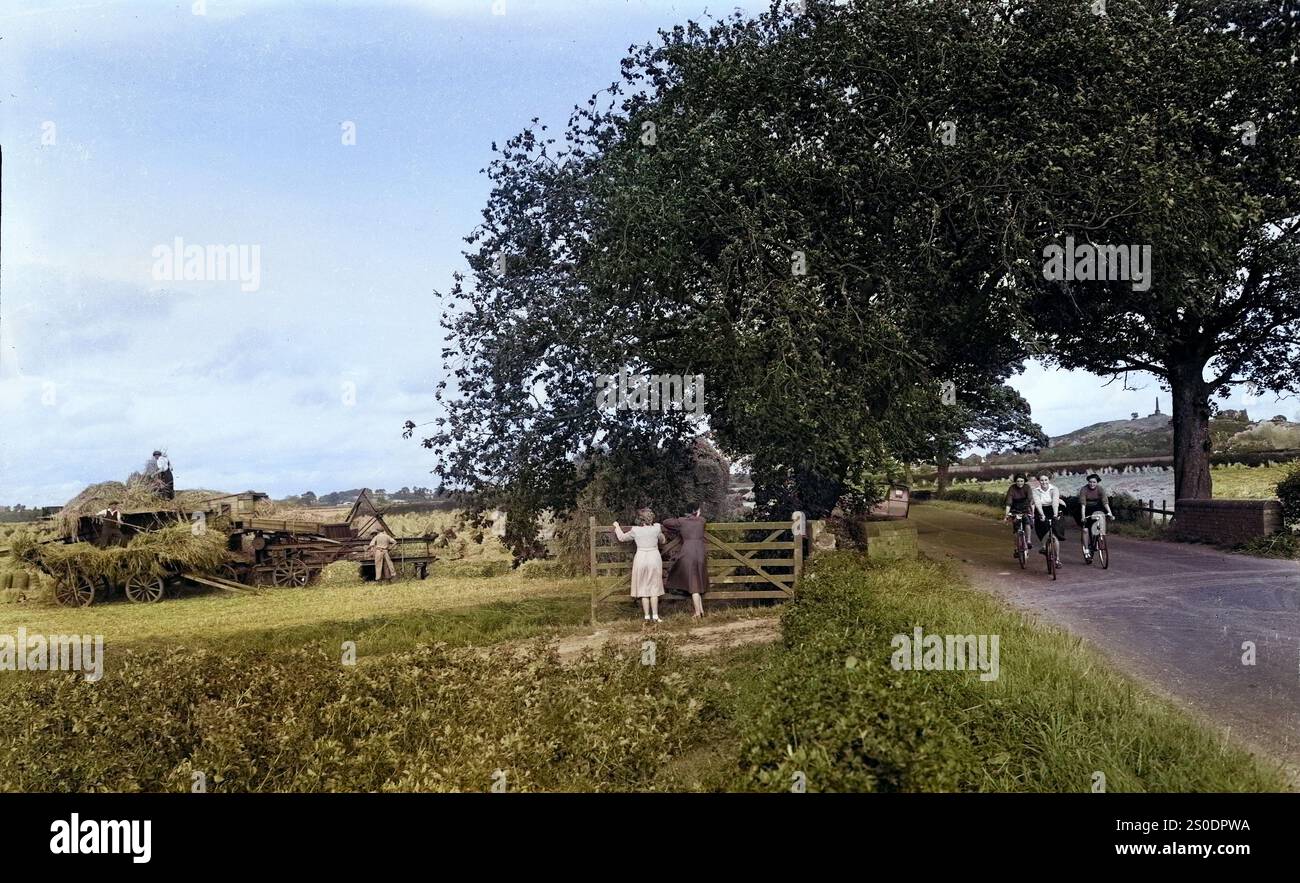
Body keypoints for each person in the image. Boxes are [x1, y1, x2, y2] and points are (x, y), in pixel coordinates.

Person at [612, 508, 666, 625]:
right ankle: (656, 616)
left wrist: (617, 526)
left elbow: (622, 538)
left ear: (640, 519)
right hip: (654, 557)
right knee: (654, 588)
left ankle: (647, 617)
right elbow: (663, 541)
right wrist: (659, 532)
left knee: (644, 588)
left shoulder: (635, 530)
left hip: (641, 557)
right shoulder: (656, 528)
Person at [663, 503, 708, 619]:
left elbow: (666, 522)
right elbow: (698, 519)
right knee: (697, 579)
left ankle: (697, 613)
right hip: (700, 551)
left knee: (693, 583)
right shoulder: (702, 521)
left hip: (688, 551)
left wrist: (681, 518)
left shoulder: (682, 521)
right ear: (696, 511)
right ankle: (701, 611)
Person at [1077, 473, 1114, 562]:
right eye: (1090, 482)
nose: (1092, 484)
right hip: (1085, 509)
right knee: (1085, 530)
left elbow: (1105, 502)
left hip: (1096, 508)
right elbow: (1083, 505)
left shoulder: (1100, 489)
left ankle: (1100, 536)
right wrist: (1083, 517)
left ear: (1097, 482)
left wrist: (1110, 513)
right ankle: (1086, 550)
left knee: (1101, 518)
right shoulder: (1084, 489)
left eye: (1094, 482)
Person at [1003, 473, 1042, 555]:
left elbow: (1031, 500)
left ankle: (1028, 541)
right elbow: (1008, 503)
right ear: (1015, 481)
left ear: (1024, 481)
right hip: (1015, 509)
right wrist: (1006, 515)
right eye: (1018, 481)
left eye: (1021, 481)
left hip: (1026, 508)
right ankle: (1016, 548)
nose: (1019, 483)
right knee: (1016, 529)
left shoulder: (1027, 487)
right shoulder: (1012, 488)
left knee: (1027, 521)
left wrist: (1032, 513)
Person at [1032, 473, 1065, 564]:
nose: (1044, 482)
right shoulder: (1035, 491)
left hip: (1054, 509)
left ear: (1049, 480)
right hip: (1041, 510)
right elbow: (1038, 503)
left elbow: (1055, 502)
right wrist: (1042, 515)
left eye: (1046, 480)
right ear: (1039, 481)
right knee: (1042, 528)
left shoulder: (1054, 489)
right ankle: (1044, 546)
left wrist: (1055, 514)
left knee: (1055, 535)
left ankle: (1057, 559)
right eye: (1042, 480)